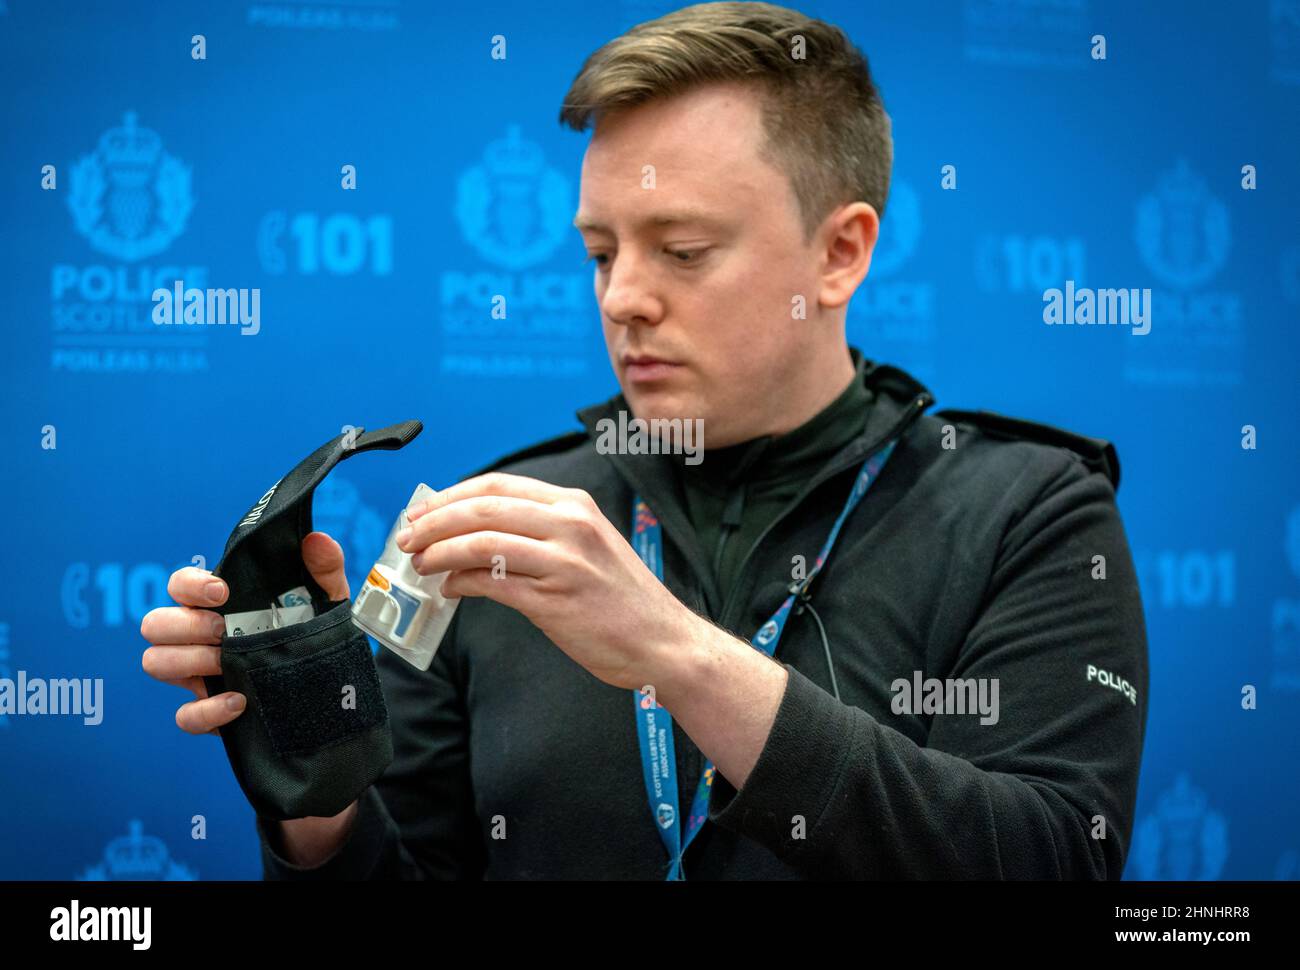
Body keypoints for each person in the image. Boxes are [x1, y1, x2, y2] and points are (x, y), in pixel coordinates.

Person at [139, 1, 1148, 879]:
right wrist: (317, 793)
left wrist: (669, 650)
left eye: (683, 250)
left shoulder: (1029, 510)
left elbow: (1055, 856)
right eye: (599, 251)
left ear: (839, 252)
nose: (621, 298)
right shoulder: (485, 529)